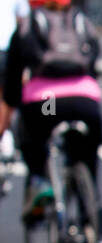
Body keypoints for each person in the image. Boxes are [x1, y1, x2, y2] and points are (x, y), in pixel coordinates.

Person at [0, 0, 102, 243]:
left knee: (34, 132)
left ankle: (39, 180)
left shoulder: (29, 25)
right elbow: (93, 60)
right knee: (88, 164)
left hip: (48, 101)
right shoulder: (82, 22)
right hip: (87, 103)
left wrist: (13, 102)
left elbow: (12, 83)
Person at [0, 0, 29, 163]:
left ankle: (5, 135)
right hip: (8, 48)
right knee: (8, 96)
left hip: (8, 49)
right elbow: (23, 20)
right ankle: (5, 135)